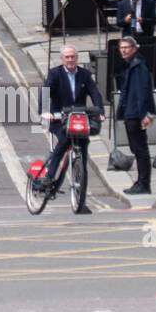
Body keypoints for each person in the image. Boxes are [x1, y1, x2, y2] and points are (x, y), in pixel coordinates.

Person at [41, 47, 103, 203]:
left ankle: (81, 196)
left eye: (73, 57)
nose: (70, 60)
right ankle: (49, 177)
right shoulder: (55, 74)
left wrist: (100, 111)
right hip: (59, 120)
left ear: (77, 58)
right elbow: (46, 91)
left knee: (82, 152)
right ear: (62, 59)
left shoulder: (85, 74)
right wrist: (45, 111)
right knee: (63, 142)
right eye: (67, 57)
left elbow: (95, 92)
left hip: (78, 120)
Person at [116, 36, 155, 193]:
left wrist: (145, 115)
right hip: (130, 112)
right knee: (137, 148)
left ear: (135, 48)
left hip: (135, 114)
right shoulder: (131, 65)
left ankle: (144, 184)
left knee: (140, 149)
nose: (124, 50)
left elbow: (143, 92)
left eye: (127, 47)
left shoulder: (138, 66)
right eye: (122, 47)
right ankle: (141, 181)